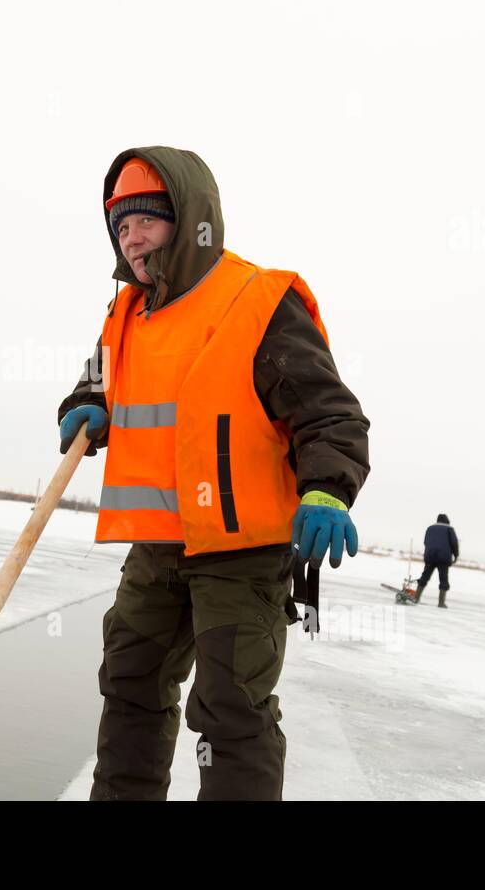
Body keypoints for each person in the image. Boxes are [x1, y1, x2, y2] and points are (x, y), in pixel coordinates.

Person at [56, 146, 370, 800]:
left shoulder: (255, 300)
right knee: (131, 684)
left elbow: (328, 412)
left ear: (189, 217)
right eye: (120, 227)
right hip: (157, 545)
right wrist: (84, 406)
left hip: (242, 550)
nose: (132, 238)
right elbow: (98, 381)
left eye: (145, 219)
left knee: (230, 710)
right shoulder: (126, 316)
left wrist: (325, 488)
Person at [416, 514, 459, 607]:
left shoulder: (430, 528)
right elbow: (454, 543)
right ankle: (441, 602)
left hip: (430, 556)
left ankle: (416, 597)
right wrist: (456, 555)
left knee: (425, 576)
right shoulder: (449, 529)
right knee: (443, 579)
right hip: (443, 557)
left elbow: (426, 541)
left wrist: (430, 551)